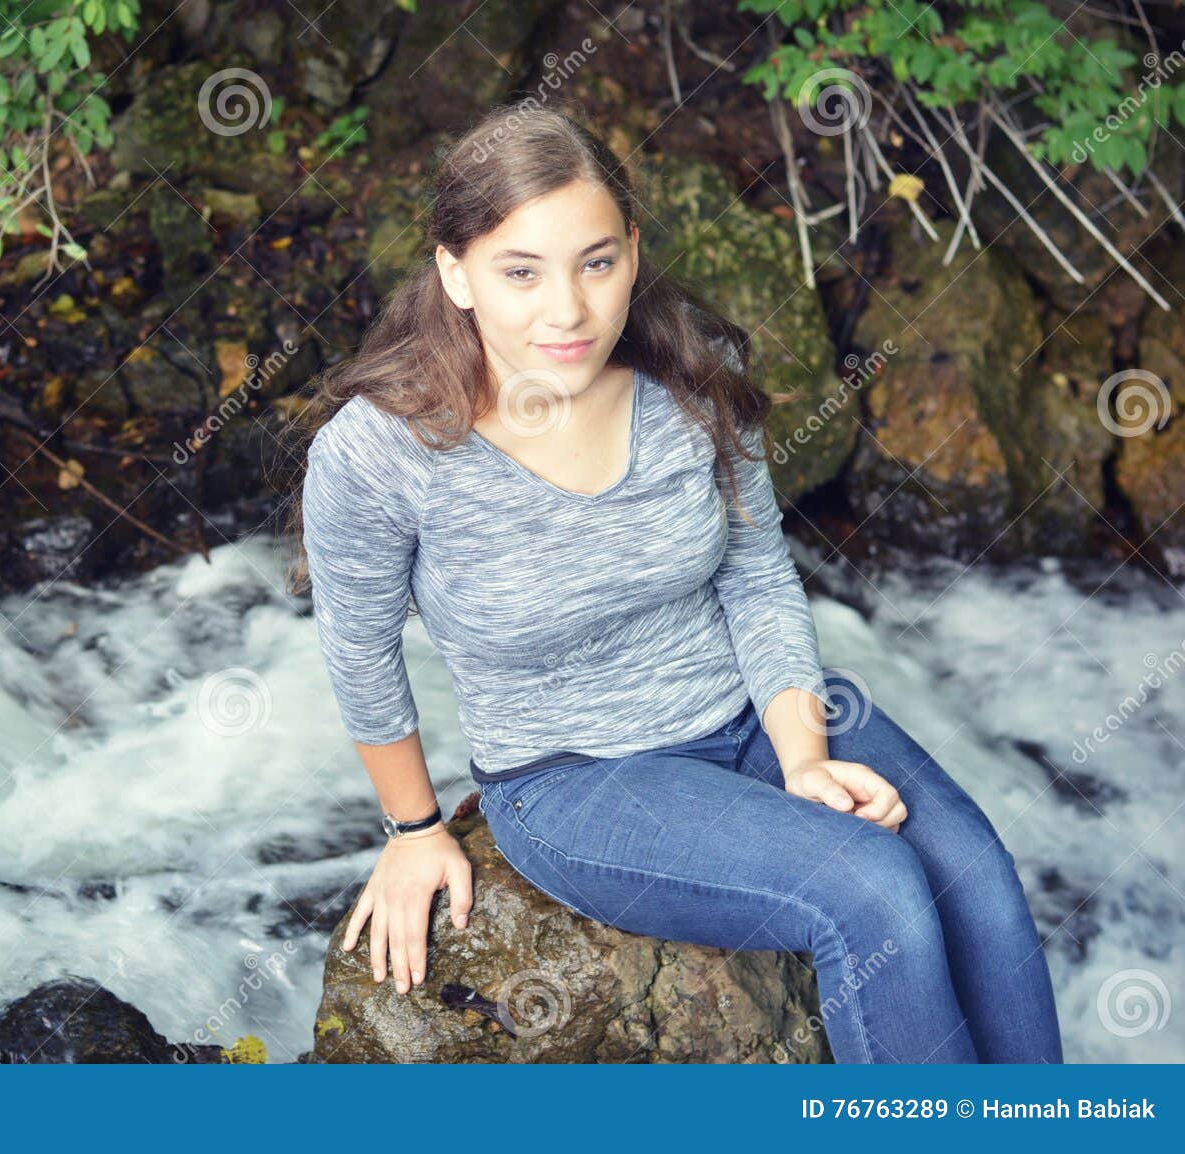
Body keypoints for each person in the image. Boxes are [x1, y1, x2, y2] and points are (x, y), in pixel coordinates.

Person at [283, 103, 1062, 1064]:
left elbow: (757, 573)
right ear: (456, 273)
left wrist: (803, 756)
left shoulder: (693, 368)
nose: (566, 310)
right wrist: (412, 829)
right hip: (575, 778)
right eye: (519, 272)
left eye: (596, 262)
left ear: (634, 252)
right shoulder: (377, 450)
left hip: (747, 711)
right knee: (874, 891)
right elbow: (359, 651)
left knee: (974, 872)